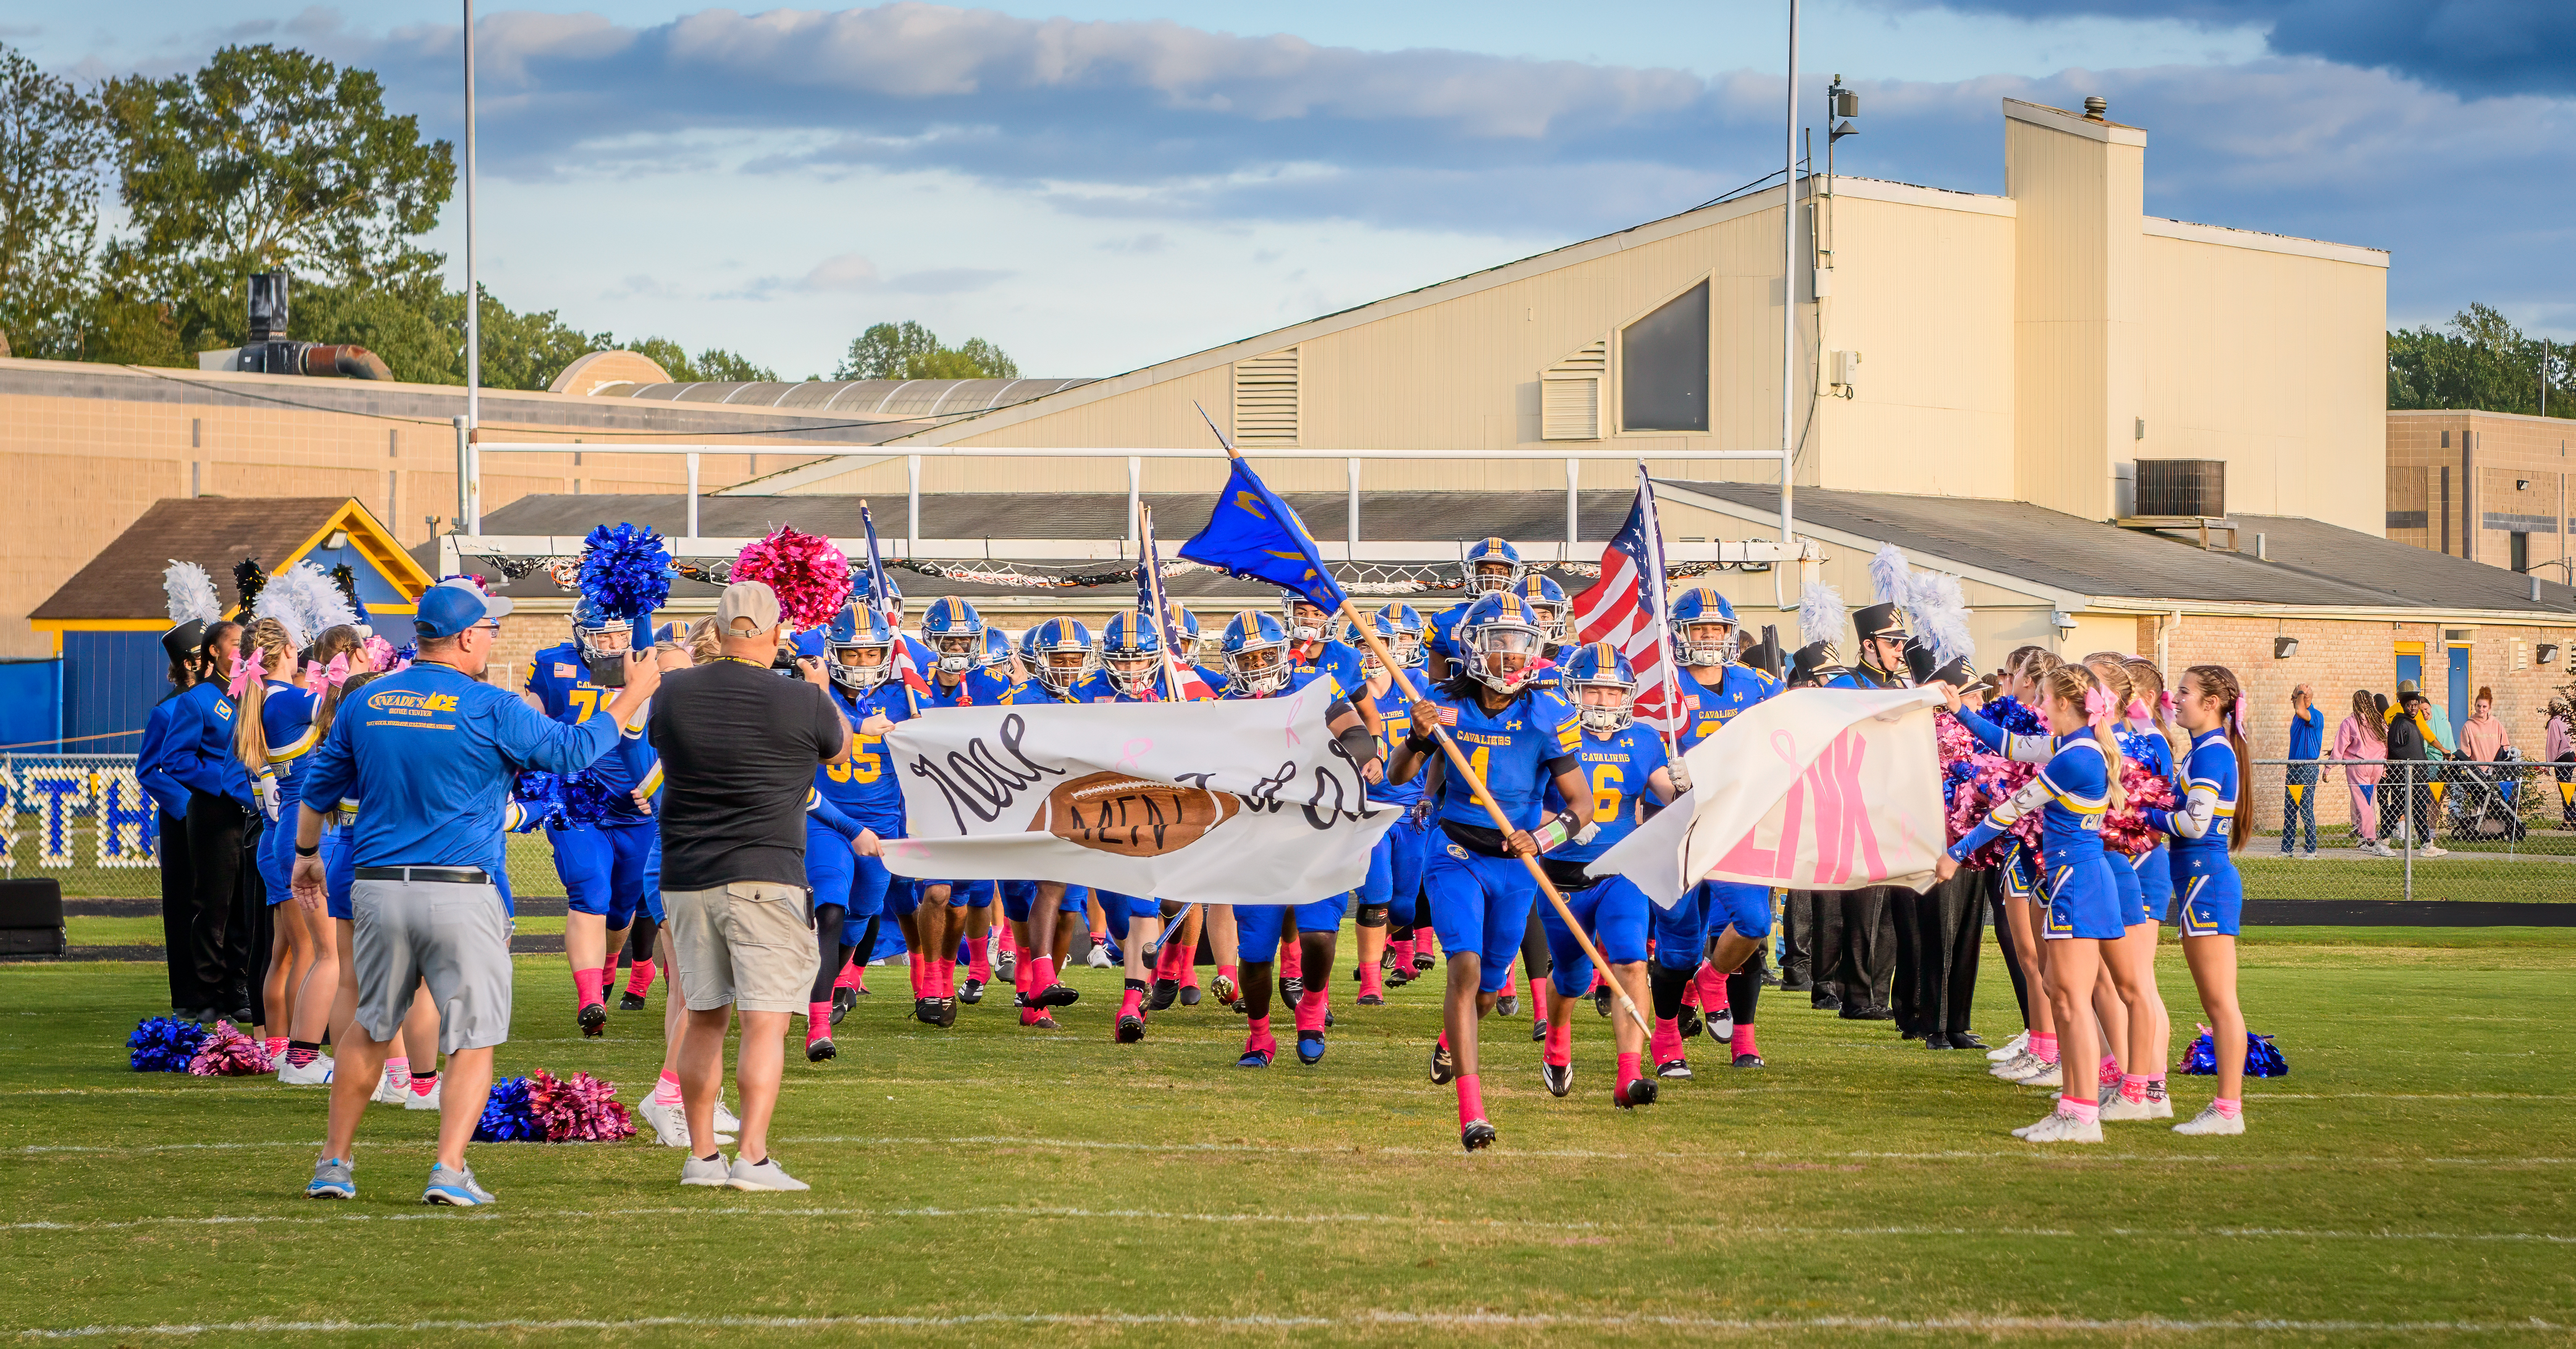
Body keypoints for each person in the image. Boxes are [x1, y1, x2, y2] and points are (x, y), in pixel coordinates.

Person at [296, 579, 659, 1204]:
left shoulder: (367, 701)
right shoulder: (490, 705)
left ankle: (334, 1163)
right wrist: (632, 698)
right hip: (462, 889)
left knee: (369, 1026)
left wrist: (306, 856)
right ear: (466, 637)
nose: (493, 637)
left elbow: (320, 785)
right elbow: (569, 753)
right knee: (473, 1036)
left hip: (379, 886)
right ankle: (447, 1169)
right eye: (490, 628)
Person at [649, 581, 857, 1192]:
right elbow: (837, 749)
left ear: (716, 631)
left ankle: (702, 1155)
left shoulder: (674, 692)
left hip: (687, 877)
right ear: (776, 633)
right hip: (767, 875)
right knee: (765, 1023)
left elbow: (667, 742)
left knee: (704, 1017)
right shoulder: (801, 699)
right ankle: (753, 1157)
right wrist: (817, 689)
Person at [1386, 592, 1590, 1151]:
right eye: (1497, 640)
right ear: (1473, 647)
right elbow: (1400, 771)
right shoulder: (1441, 701)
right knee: (1465, 968)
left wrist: (1542, 835)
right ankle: (1471, 1112)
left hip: (1517, 865)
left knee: (1488, 987)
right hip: (1456, 852)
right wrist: (1417, 735)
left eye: (1518, 640)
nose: (1509, 653)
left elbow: (1581, 804)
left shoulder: (1547, 712)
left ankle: (1450, 1042)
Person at [1937, 662, 2128, 1143]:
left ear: (2063, 703)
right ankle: (2081, 1099)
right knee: (2062, 992)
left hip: (2076, 881)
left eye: (2042, 698)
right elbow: (2006, 744)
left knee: (2069, 998)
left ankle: (2079, 1113)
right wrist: (1959, 709)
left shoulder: (2076, 757)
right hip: (2073, 879)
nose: (2037, 707)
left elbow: (2012, 807)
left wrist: (1956, 853)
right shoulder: (2069, 747)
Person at [1536, 642, 1683, 1108]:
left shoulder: (1642, 738)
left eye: (1613, 692)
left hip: (1621, 872)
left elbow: (1666, 793)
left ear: (1628, 696)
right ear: (1572, 691)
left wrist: (1689, 780)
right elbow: (1527, 803)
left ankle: (1629, 1075)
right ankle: (1557, 1036)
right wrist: (1562, 826)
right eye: (1594, 691)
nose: (1603, 701)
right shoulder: (1550, 732)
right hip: (1563, 875)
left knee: (1631, 962)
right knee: (1572, 979)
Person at [1657, 586, 1781, 1077]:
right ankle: (1667, 1042)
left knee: (1752, 925)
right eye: (1700, 627)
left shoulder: (1758, 684)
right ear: (1680, 633)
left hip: (1734, 823)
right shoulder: (1658, 688)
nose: (1709, 637)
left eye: (1717, 628)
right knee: (1677, 947)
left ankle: (1712, 982)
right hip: (1679, 828)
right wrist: (1666, 778)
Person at [524, 596, 660, 1038]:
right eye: (603, 635)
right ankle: (590, 999)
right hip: (575, 801)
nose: (613, 643)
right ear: (581, 634)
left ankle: (605, 974)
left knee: (622, 908)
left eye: (621, 634)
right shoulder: (551, 665)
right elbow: (529, 723)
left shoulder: (647, 662)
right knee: (589, 893)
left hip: (635, 804)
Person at [2147, 663, 2255, 1137]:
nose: (2175, 698)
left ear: (2210, 704)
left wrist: (2140, 815)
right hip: (2196, 883)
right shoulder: (2203, 751)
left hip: (2206, 883)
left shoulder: (2213, 754)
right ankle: (2225, 1107)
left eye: (2184, 692)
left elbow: (2194, 824)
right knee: (2216, 1002)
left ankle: (2228, 1110)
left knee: (2220, 1004)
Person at [161, 620, 256, 1024]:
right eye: (234, 643)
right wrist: (226, 784)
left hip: (252, 814)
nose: (241, 650)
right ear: (213, 651)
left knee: (244, 908)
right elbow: (174, 758)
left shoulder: (254, 694)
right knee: (213, 905)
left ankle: (238, 990)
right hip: (215, 811)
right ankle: (207, 994)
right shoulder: (197, 700)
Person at [138, 614, 208, 1017]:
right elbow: (150, 769)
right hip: (181, 820)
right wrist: (192, 806)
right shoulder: (168, 710)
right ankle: (188, 995)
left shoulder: (219, 700)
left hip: (214, 817)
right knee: (184, 905)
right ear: (189, 662)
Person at [2383, 685, 2445, 857]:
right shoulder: (2399, 723)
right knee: (2398, 807)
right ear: (2403, 705)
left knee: (2419, 809)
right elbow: (2396, 749)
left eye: (2416, 705)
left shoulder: (2414, 722)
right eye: (2409, 705)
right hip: (2407, 775)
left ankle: (2426, 844)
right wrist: (2406, 770)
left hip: (2418, 774)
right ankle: (2381, 839)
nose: (2413, 708)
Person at [2337, 690, 2389, 855]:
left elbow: (2341, 745)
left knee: (2363, 802)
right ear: (2371, 703)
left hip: (2358, 766)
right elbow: (2385, 743)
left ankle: (2370, 838)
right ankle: (2362, 831)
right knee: (2370, 799)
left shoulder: (2350, 722)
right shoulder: (2379, 721)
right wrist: (2385, 765)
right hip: (2377, 766)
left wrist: (2329, 767)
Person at [2282, 684, 2324, 859]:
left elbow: (2301, 709)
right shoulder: (2297, 717)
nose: (2292, 701)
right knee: (2290, 810)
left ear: (2304, 698)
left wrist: (2300, 692)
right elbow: (2298, 710)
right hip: (2294, 767)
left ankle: (2311, 849)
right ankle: (2287, 849)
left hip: (2307, 767)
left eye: (2295, 697)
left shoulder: (2314, 715)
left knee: (2306, 809)